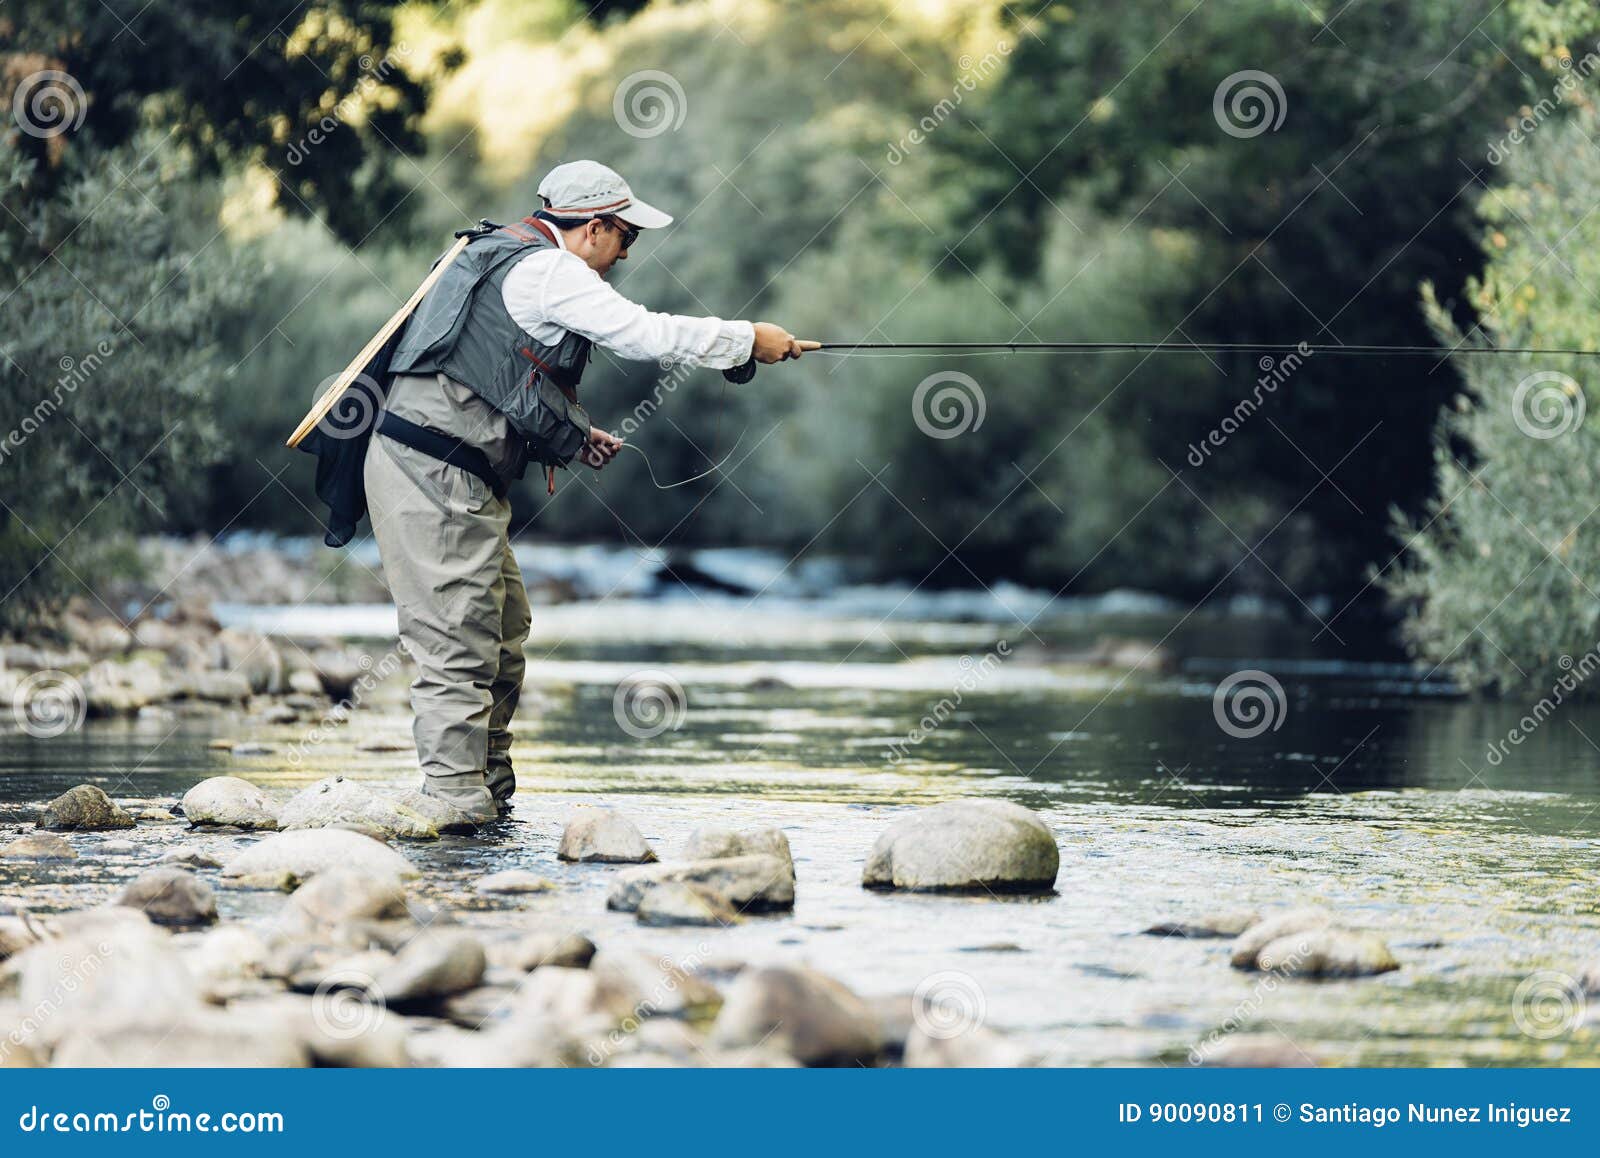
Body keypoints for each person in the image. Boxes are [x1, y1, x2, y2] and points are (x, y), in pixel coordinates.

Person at [364, 160, 808, 823]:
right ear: (594, 227)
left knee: (505, 629)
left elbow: (492, 372)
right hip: (431, 469)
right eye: (626, 239)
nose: (624, 254)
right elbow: (643, 333)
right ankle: (454, 808)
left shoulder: (508, 255)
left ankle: (487, 795)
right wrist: (746, 339)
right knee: (458, 638)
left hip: (444, 467)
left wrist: (573, 436)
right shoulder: (551, 268)